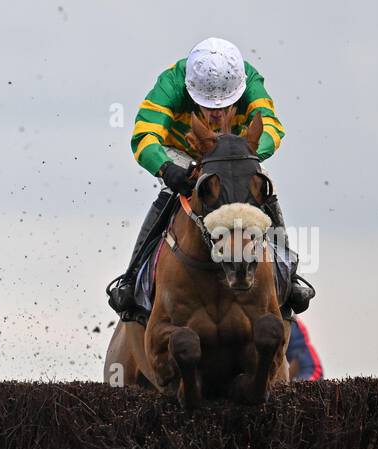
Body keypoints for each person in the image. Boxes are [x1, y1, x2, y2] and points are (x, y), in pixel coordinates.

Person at [106, 37, 314, 323]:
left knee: (263, 183)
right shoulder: (170, 84)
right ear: (190, 91)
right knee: (170, 192)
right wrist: (166, 169)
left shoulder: (249, 79)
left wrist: (246, 155)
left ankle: (289, 274)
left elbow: (272, 128)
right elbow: (144, 137)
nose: (216, 112)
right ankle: (131, 277)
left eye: (225, 104)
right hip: (184, 153)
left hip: (237, 152)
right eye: (207, 105)